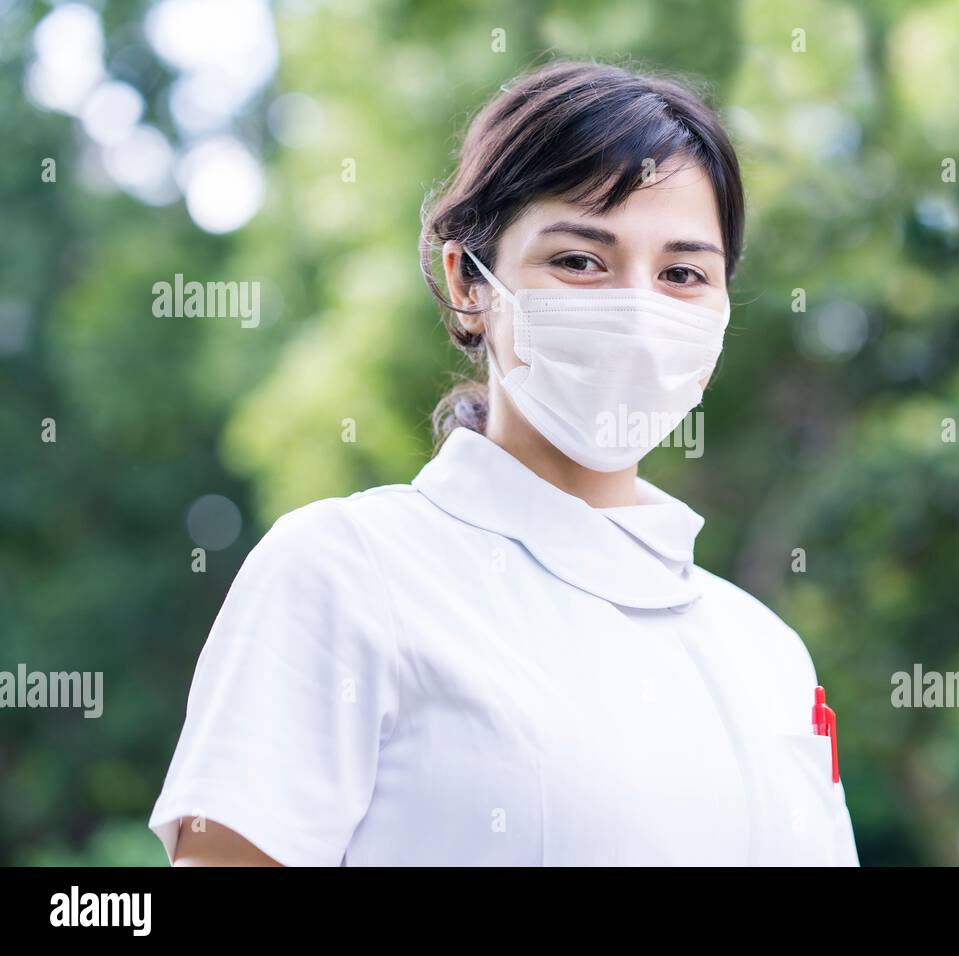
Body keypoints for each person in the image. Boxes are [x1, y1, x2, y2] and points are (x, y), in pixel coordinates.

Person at [148, 59, 860, 866]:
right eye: (580, 261)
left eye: (682, 274)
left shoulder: (765, 654)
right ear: (469, 282)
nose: (636, 309)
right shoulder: (347, 574)